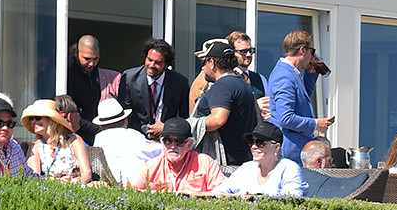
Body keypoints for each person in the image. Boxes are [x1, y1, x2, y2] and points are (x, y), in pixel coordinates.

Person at [191, 39, 260, 167]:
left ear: (212, 63)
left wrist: (186, 126)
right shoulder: (242, 83)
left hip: (225, 163)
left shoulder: (223, 85)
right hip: (242, 158)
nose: (202, 67)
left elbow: (218, 119)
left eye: (204, 62)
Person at [268, 30, 333, 163]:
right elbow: (285, 118)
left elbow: (301, 100)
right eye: (312, 52)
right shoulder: (284, 75)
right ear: (303, 50)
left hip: (294, 149)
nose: (312, 57)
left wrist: (310, 74)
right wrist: (315, 124)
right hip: (290, 151)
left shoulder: (290, 72)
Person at [130, 117, 224, 194]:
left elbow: (222, 192)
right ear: (162, 142)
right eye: (168, 141)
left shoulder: (205, 163)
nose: (173, 146)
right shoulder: (151, 167)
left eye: (179, 141)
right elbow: (130, 192)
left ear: (189, 144)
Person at [117, 38, 188, 138]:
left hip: (167, 139)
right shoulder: (129, 78)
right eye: (149, 60)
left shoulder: (180, 83)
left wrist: (167, 127)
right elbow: (125, 114)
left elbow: (184, 117)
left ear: (166, 65)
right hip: (136, 137)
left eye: (158, 63)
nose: (152, 65)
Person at [219, 122, 307, 198]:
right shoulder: (247, 167)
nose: (254, 147)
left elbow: (292, 198)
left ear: (276, 147)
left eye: (260, 143)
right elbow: (220, 191)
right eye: (251, 142)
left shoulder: (289, 168)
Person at [91, 99, 160, 186]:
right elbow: (159, 152)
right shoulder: (133, 135)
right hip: (136, 187)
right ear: (126, 120)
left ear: (100, 125)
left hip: (111, 187)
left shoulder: (99, 139)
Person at [22, 99, 90, 184]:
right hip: (50, 190)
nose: (34, 122)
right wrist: (56, 182)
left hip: (77, 188)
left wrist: (73, 183)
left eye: (37, 118)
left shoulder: (74, 140)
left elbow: (86, 174)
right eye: (31, 119)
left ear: (51, 120)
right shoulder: (35, 146)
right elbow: (33, 177)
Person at [65, 35, 105, 143]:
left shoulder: (94, 70)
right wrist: (97, 130)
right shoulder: (66, 70)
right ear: (76, 52)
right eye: (87, 59)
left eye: (95, 58)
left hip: (93, 126)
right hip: (75, 133)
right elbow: (69, 111)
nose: (92, 63)